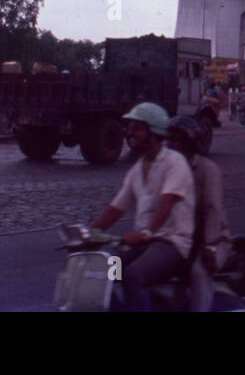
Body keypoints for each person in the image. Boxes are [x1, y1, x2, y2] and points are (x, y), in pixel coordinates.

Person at [90, 103, 195, 312]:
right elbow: (115, 209)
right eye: (130, 128)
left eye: (137, 128)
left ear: (154, 132)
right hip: (143, 246)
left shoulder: (175, 163)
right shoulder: (137, 170)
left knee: (133, 276)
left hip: (171, 245)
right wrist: (88, 233)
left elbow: (166, 205)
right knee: (102, 272)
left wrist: (147, 232)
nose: (129, 133)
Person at [166, 116, 231, 312]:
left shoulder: (207, 169)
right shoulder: (169, 169)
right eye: (169, 139)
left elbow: (213, 209)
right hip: (179, 239)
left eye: (177, 140)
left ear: (189, 142)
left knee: (198, 272)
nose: (171, 144)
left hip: (209, 240)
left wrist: (210, 246)